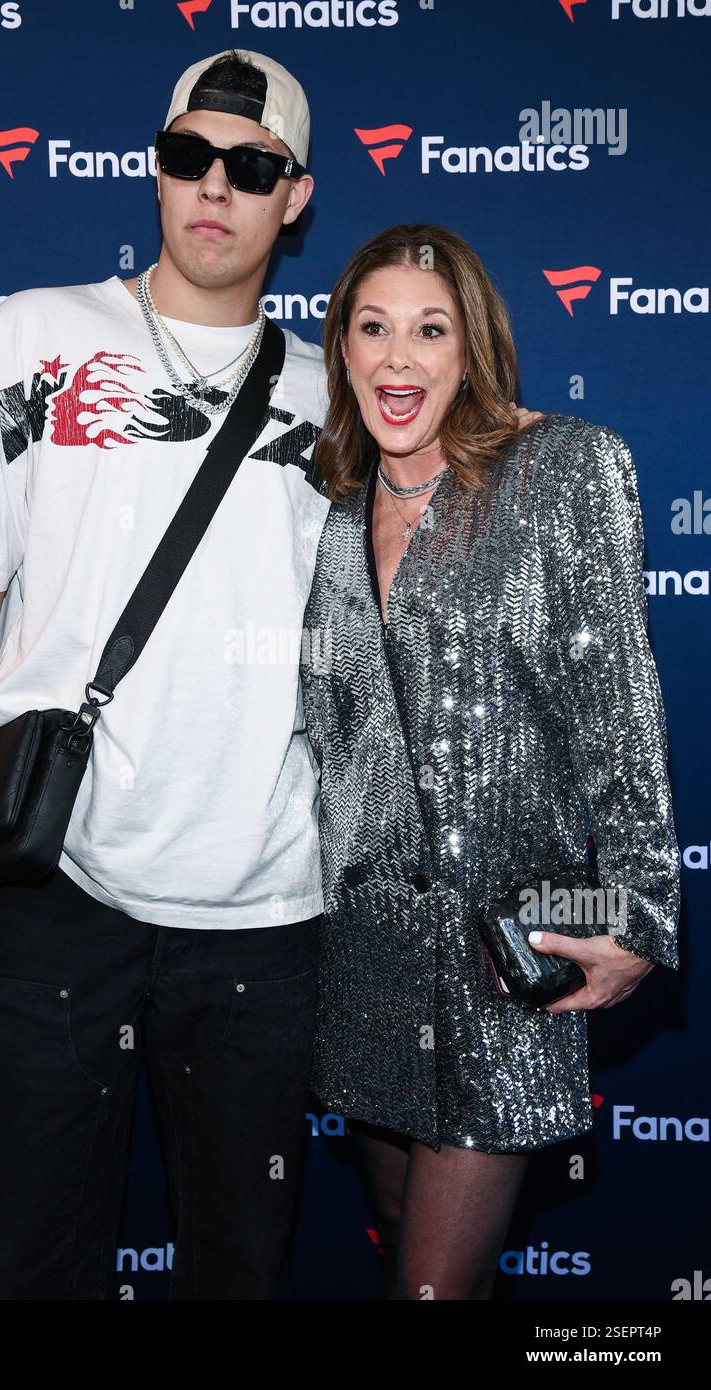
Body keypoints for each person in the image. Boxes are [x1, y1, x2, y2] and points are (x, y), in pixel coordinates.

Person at [0, 49, 536, 1300]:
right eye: (189, 155)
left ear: (296, 197)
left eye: (251, 165)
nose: (213, 186)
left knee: (240, 1268)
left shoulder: (349, 395)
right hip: (60, 886)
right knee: (12, 1265)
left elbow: (452, 597)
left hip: (270, 911)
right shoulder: (33, 335)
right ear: (156, 168)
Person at [299, 222, 681, 1301]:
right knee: (391, 1230)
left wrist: (641, 911)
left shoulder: (562, 468)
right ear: (340, 348)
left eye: (429, 330)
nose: (396, 358)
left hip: (498, 953)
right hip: (365, 950)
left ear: (471, 349)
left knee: (434, 1287)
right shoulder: (329, 512)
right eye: (370, 328)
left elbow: (620, 709)